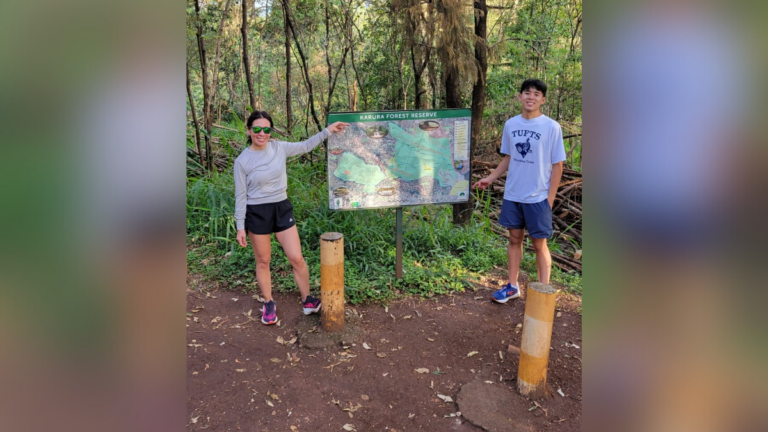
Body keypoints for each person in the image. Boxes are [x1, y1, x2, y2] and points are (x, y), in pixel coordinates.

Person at [234, 111, 349, 324]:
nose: (262, 133)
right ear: (248, 130)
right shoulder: (242, 161)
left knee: (296, 257)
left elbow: (305, 145)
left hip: (281, 207)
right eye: (257, 129)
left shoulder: (279, 148)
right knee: (263, 261)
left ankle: (307, 301)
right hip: (257, 211)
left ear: (271, 131)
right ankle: (268, 303)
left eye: (266, 129)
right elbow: (240, 196)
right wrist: (240, 226)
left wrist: (328, 131)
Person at [472, 79, 566, 303]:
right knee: (514, 239)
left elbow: (558, 165)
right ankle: (512, 286)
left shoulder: (551, 127)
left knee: (538, 243)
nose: (530, 97)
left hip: (538, 196)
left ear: (543, 99)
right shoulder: (511, 125)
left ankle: (543, 293)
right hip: (513, 194)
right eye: (526, 92)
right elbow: (509, 157)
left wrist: (549, 199)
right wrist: (490, 178)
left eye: (536, 94)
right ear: (519, 97)